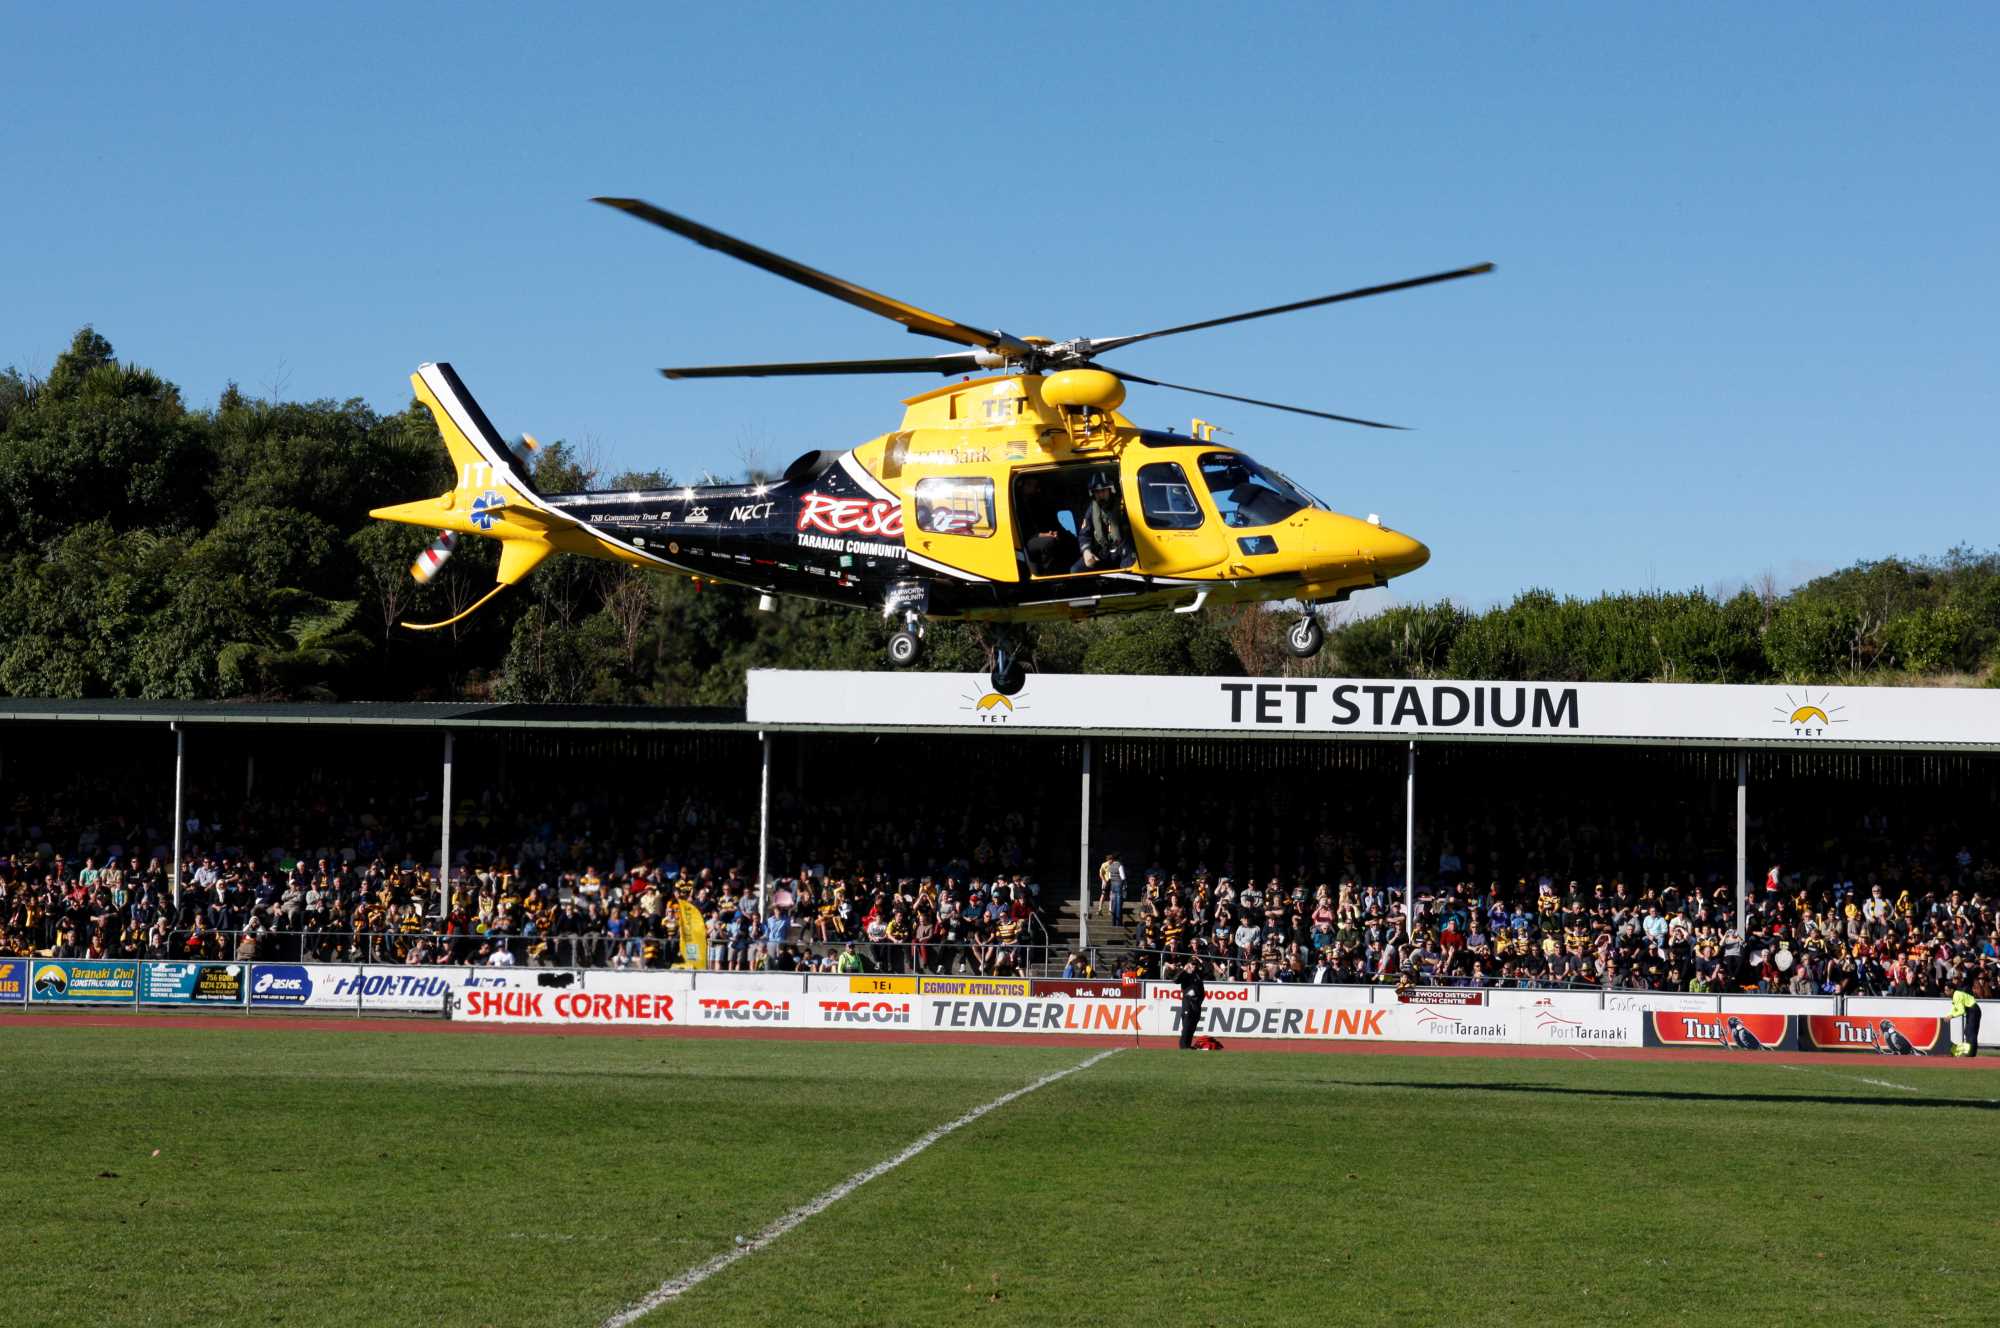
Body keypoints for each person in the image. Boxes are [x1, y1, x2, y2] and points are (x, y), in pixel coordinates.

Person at [1071, 474, 1130, 573]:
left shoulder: (1122, 506)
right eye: (1097, 492)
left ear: (1110, 490)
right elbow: (1084, 533)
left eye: (1103, 490)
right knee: (1076, 570)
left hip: (1123, 551)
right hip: (1103, 552)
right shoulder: (1092, 509)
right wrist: (1086, 552)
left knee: (1128, 570)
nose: (1100, 494)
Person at [1175, 958, 1206, 1050]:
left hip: (1197, 1004)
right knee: (1187, 1025)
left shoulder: (1198, 975)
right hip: (1188, 1004)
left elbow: (1208, 971)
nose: (1193, 966)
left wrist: (1201, 961)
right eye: (1192, 964)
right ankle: (1183, 1046)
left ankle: (1188, 1045)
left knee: (1192, 1026)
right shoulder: (1185, 975)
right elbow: (1175, 980)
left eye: (1195, 964)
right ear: (1188, 964)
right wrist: (1184, 970)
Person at [1950, 977, 1980, 1057]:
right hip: (1973, 1010)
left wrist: (1951, 1016)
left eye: (1946, 990)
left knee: (1970, 1032)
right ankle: (1971, 1052)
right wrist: (1949, 1015)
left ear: (1951, 990)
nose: (1945, 992)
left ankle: (1971, 1053)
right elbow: (1955, 1008)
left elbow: (1961, 1011)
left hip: (1972, 1010)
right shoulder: (1957, 993)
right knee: (1968, 1032)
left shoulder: (1956, 994)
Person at [1098, 852, 1126, 926]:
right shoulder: (1120, 865)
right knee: (1118, 904)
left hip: (1112, 885)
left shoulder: (1110, 866)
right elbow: (1123, 877)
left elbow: (1109, 877)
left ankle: (1114, 922)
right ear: (1118, 858)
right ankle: (1118, 923)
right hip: (1119, 885)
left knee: (1113, 904)